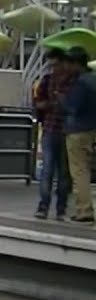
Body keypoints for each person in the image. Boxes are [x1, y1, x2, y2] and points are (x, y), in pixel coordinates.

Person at [34, 47, 73, 219]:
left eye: (56, 65)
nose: (53, 69)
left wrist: (61, 102)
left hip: (67, 131)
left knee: (64, 172)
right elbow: (38, 103)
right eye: (51, 65)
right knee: (47, 170)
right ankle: (43, 205)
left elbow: (73, 107)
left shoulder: (73, 83)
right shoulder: (47, 80)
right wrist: (49, 104)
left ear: (64, 63)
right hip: (50, 129)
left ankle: (61, 208)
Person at [63, 46, 96, 223]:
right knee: (86, 169)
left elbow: (72, 108)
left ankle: (84, 210)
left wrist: (62, 100)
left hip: (78, 130)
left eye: (69, 64)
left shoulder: (81, 83)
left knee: (80, 172)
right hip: (91, 129)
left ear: (77, 64)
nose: (66, 67)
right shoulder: (93, 79)